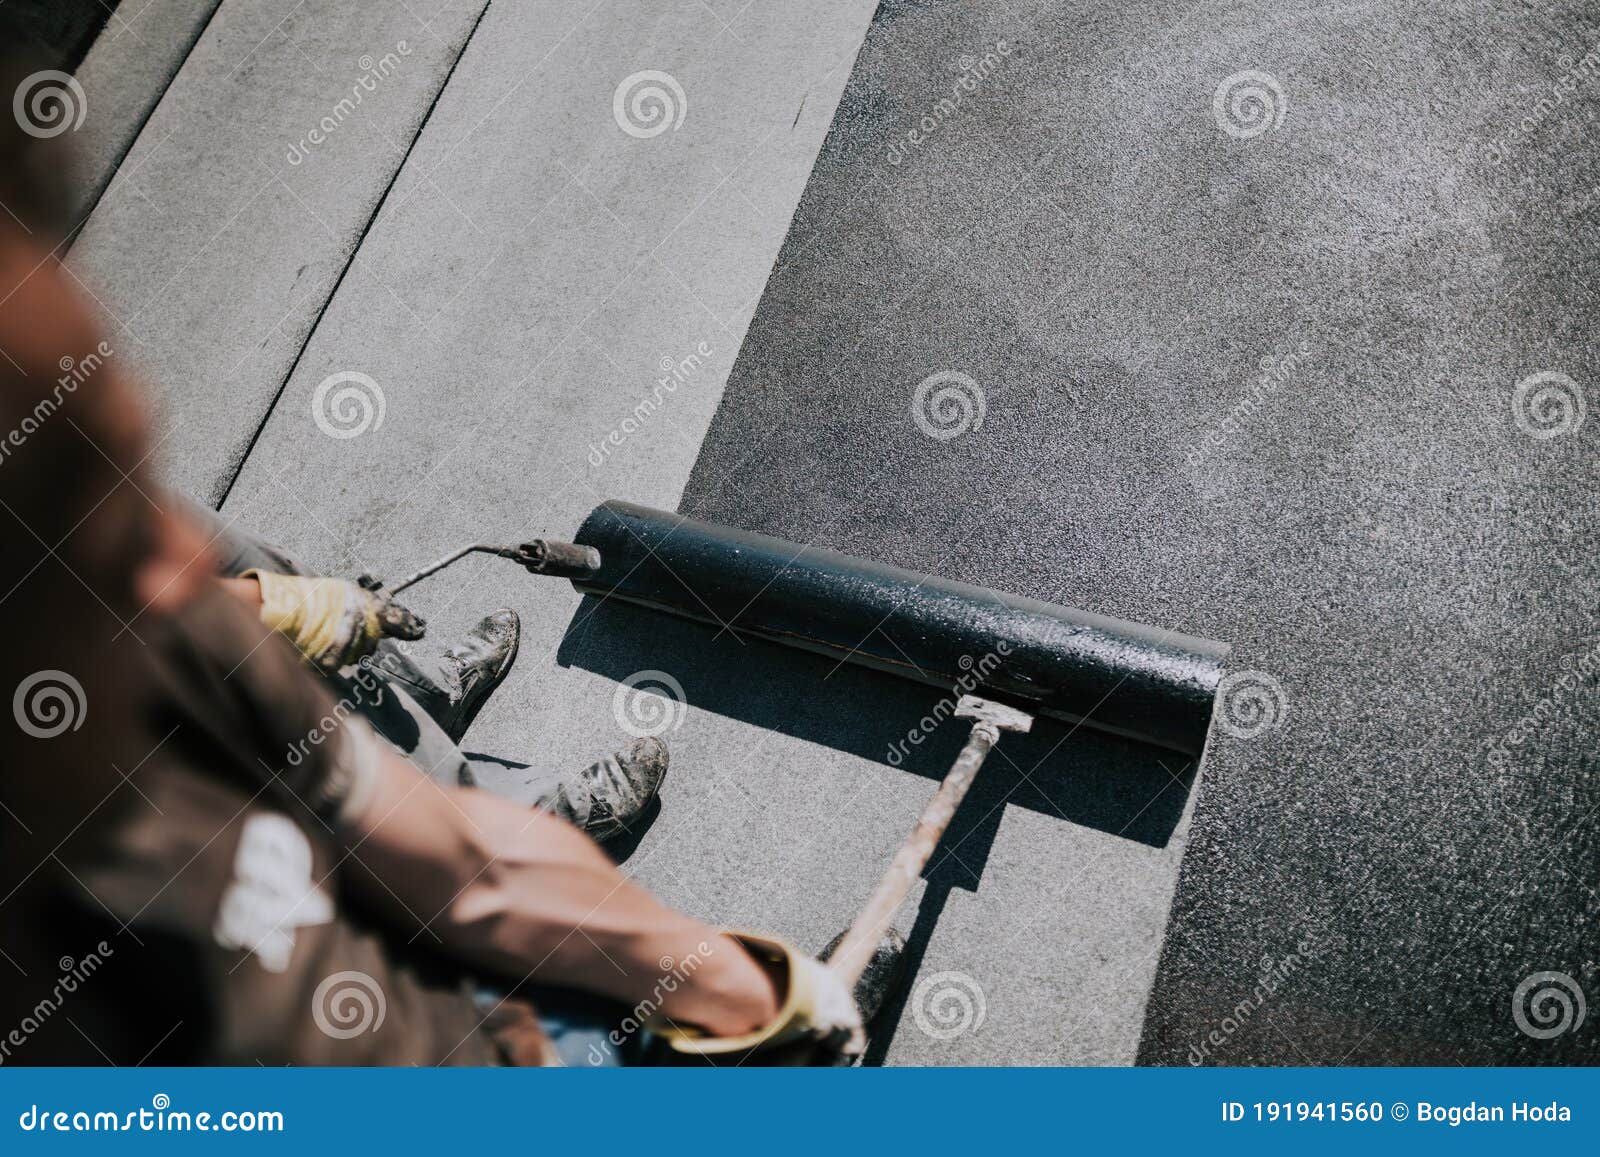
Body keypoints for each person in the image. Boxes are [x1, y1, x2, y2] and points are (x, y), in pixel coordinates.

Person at [0, 64, 897, 1067]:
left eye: (137, 484)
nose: (197, 574)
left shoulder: (170, 621)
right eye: (83, 525)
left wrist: (742, 992)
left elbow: (474, 874)